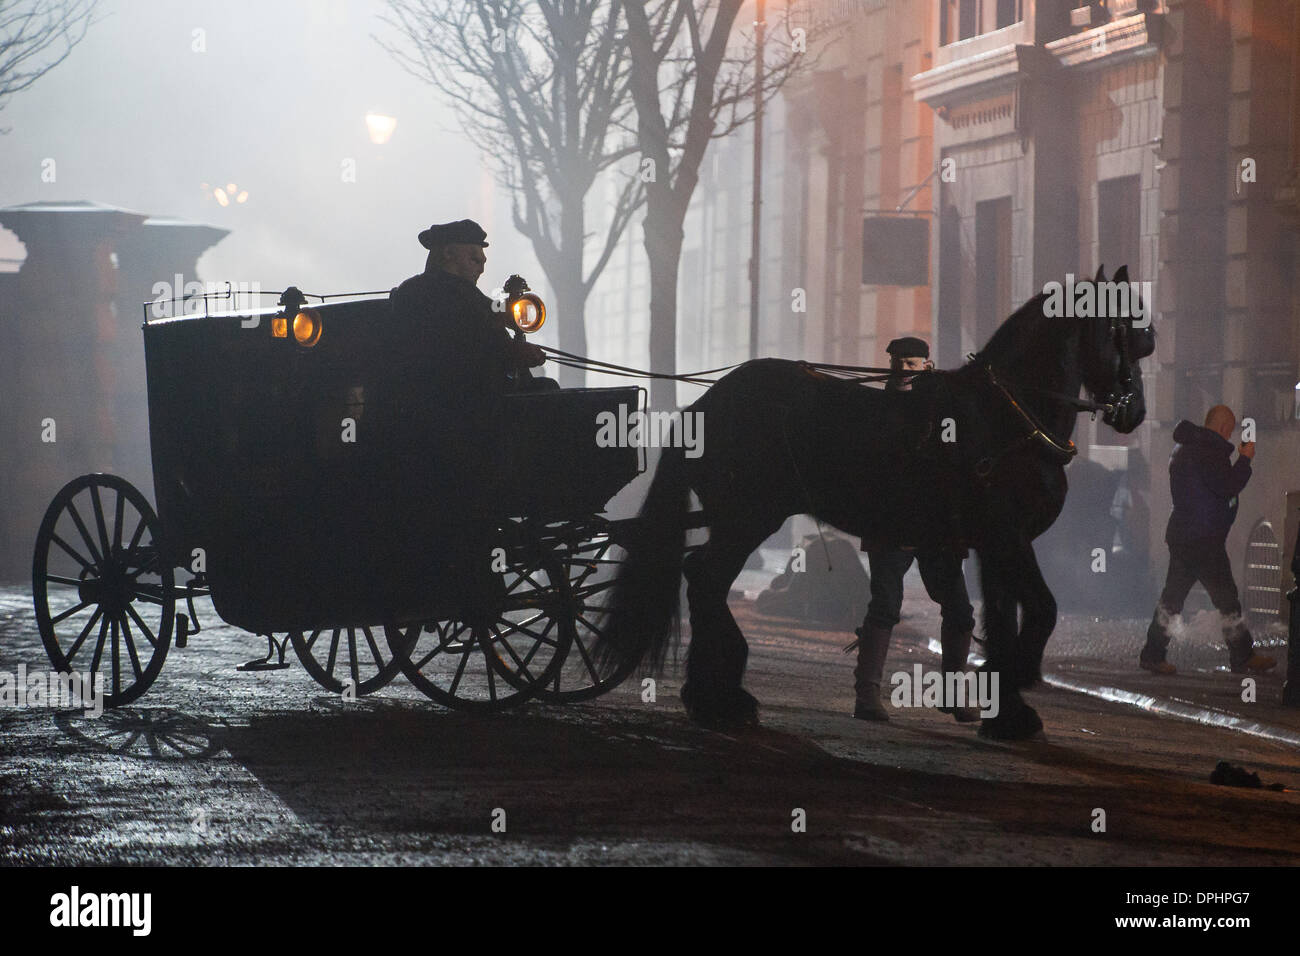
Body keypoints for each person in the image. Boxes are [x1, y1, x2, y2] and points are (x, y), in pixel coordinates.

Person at [852, 336, 980, 723]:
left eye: (911, 365)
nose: (903, 371)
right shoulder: (877, 408)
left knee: (959, 610)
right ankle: (867, 695)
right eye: (898, 364)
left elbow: (956, 457)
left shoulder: (943, 409)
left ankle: (954, 694)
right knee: (885, 606)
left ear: (927, 366)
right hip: (891, 525)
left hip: (935, 527)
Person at [1140, 405, 1276, 675]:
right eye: (1230, 429)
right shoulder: (1210, 452)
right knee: (1227, 600)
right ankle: (1242, 656)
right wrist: (1245, 459)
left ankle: (1153, 654)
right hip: (1204, 539)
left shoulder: (1184, 449)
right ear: (1225, 428)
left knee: (1172, 599)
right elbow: (1227, 486)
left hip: (1184, 536)